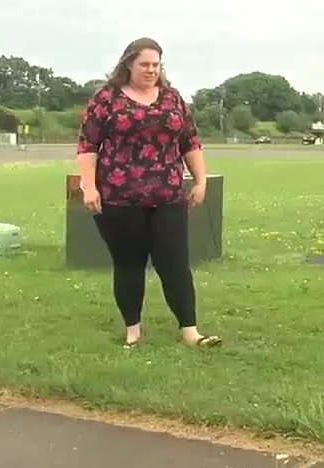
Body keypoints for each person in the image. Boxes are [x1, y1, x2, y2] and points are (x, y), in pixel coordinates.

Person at [76, 37, 221, 349]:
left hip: (168, 195)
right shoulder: (106, 99)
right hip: (119, 197)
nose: (151, 70)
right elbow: (88, 146)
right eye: (145, 64)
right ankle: (133, 331)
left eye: (156, 64)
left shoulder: (172, 99)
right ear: (129, 64)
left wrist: (200, 180)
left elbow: (190, 141)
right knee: (129, 264)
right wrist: (88, 186)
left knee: (175, 262)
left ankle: (190, 331)